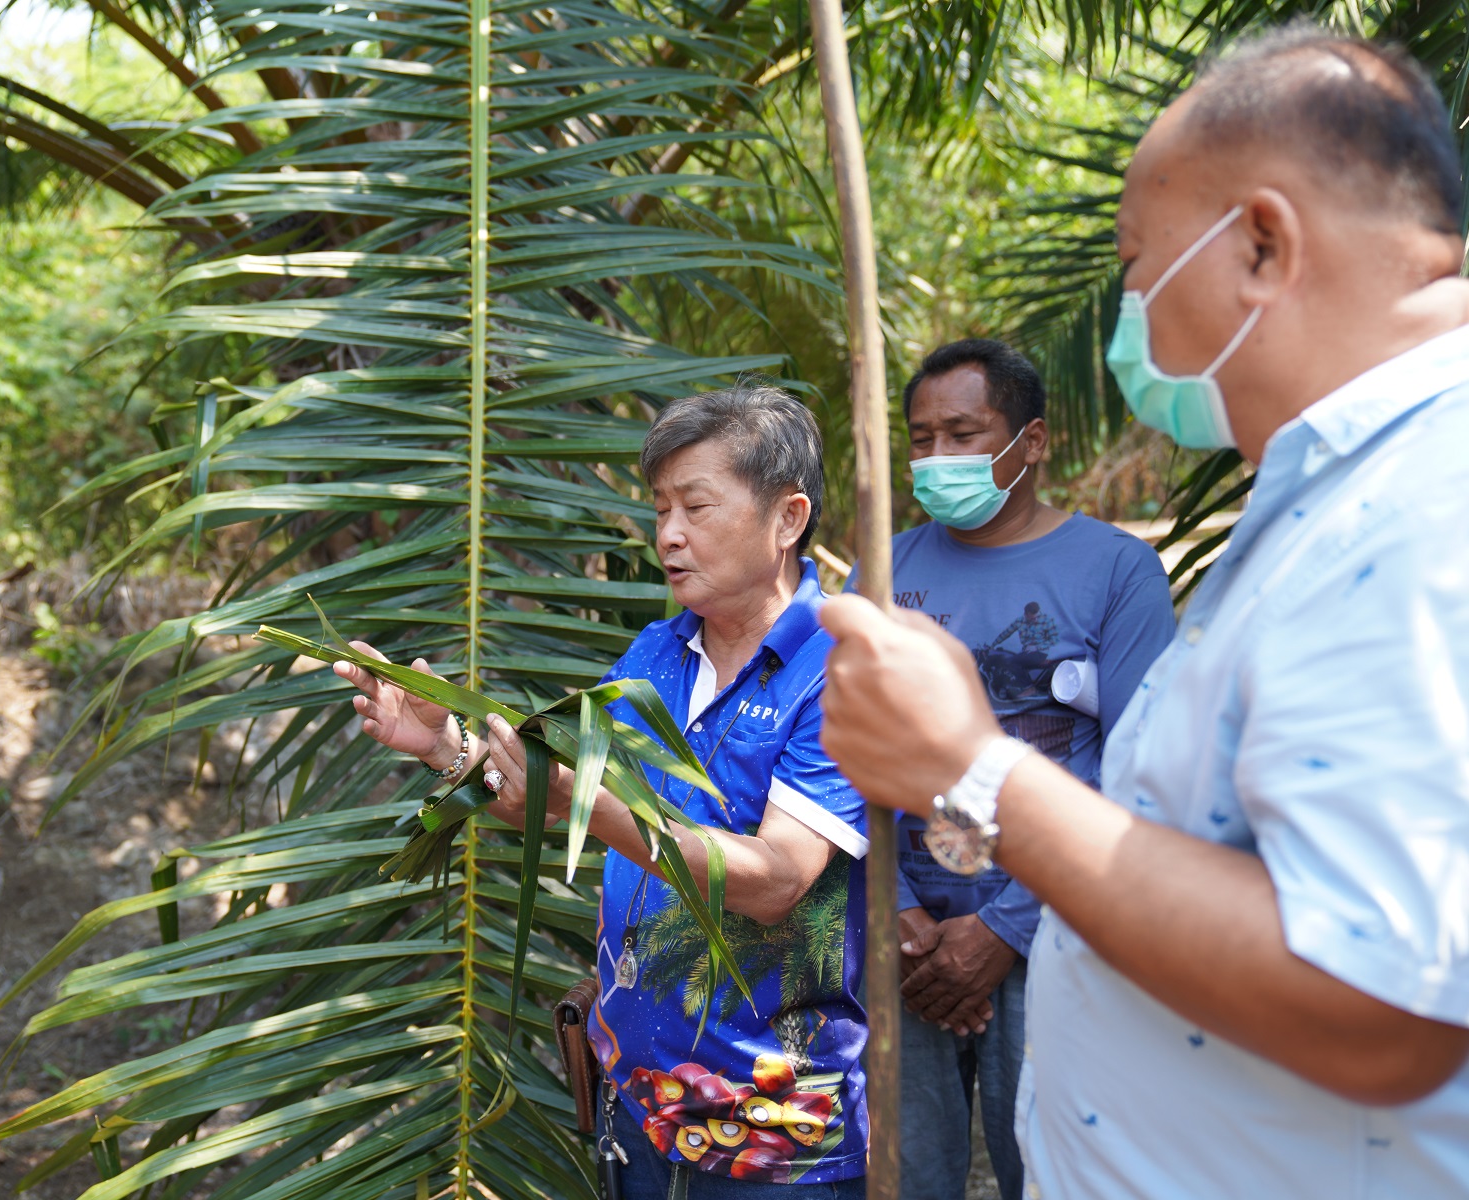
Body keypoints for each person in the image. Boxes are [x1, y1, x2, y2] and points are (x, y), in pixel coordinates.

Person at [818, 27, 1469, 1199]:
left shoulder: (1428, 506)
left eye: (1134, 265)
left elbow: (1382, 1003)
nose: (1128, 315)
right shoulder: (1334, 494)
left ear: (1262, 244)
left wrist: (974, 772)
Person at [337, 383, 868, 1194]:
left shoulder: (839, 669)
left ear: (788, 518)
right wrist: (445, 746)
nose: (669, 534)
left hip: (773, 1135)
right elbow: (537, 796)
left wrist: (586, 801)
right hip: (638, 1109)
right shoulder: (655, 653)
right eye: (660, 509)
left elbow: (777, 882)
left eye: (696, 506)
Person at [880, 339, 1173, 1200]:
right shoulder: (881, 570)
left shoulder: (1116, 570)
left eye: (963, 434)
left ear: (1032, 441)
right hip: (905, 949)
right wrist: (896, 907)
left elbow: (1139, 769)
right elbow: (838, 751)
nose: (937, 457)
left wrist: (1005, 929)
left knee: (1053, 1176)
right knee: (905, 1177)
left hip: (1056, 937)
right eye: (922, 439)